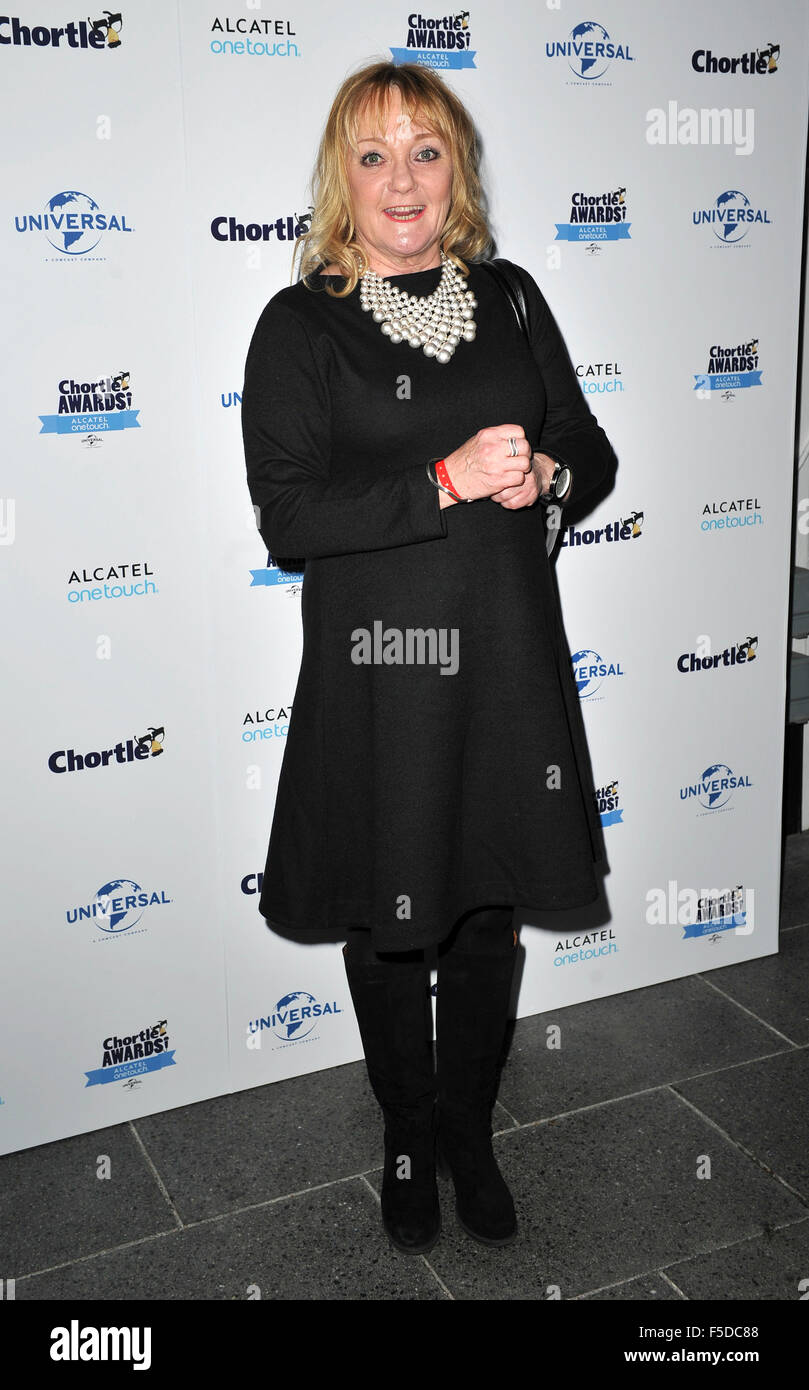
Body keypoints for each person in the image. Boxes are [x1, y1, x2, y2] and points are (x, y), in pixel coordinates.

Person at [241, 59, 617, 1255]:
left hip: (503, 664)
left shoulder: (508, 298)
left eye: (424, 151)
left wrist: (547, 474)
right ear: (340, 178)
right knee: (391, 917)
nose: (400, 179)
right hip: (380, 674)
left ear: (456, 170)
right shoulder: (299, 325)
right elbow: (289, 517)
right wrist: (443, 480)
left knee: (485, 911)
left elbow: (586, 447)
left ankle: (467, 1130)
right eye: (373, 155)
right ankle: (406, 1134)